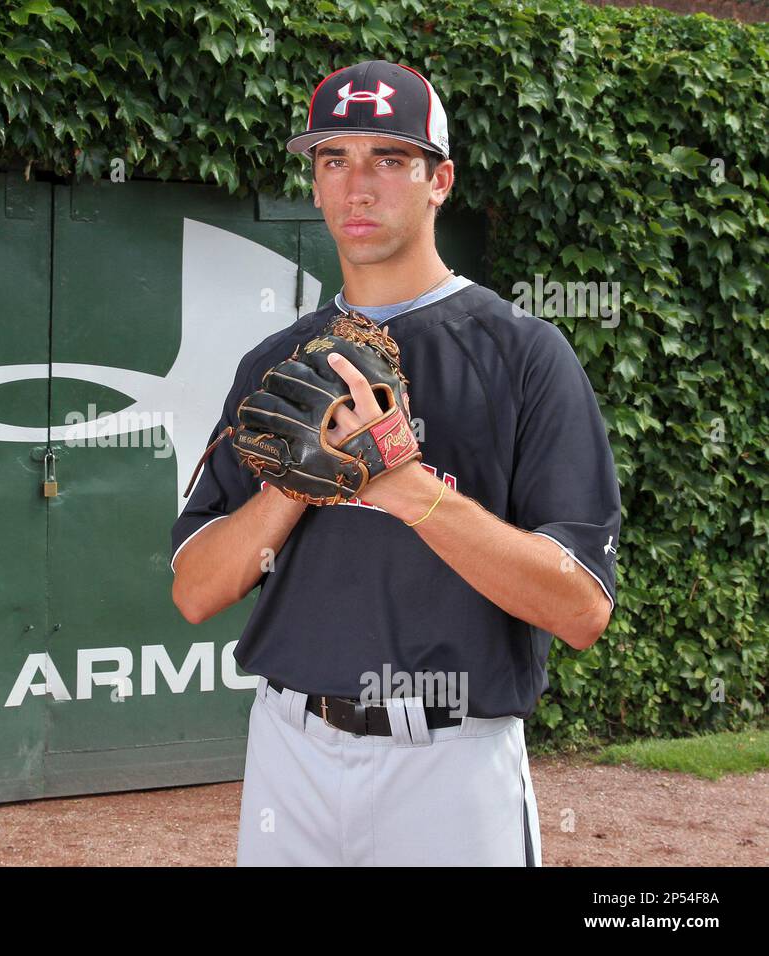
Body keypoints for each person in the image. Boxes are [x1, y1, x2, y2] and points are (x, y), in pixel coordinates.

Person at [169, 60, 621, 866]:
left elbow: (581, 609)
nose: (358, 187)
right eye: (333, 159)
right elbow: (196, 591)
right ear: (313, 184)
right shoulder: (276, 363)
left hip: (451, 766)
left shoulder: (524, 354)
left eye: (389, 158)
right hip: (290, 754)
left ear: (439, 179)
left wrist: (403, 486)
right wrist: (289, 487)